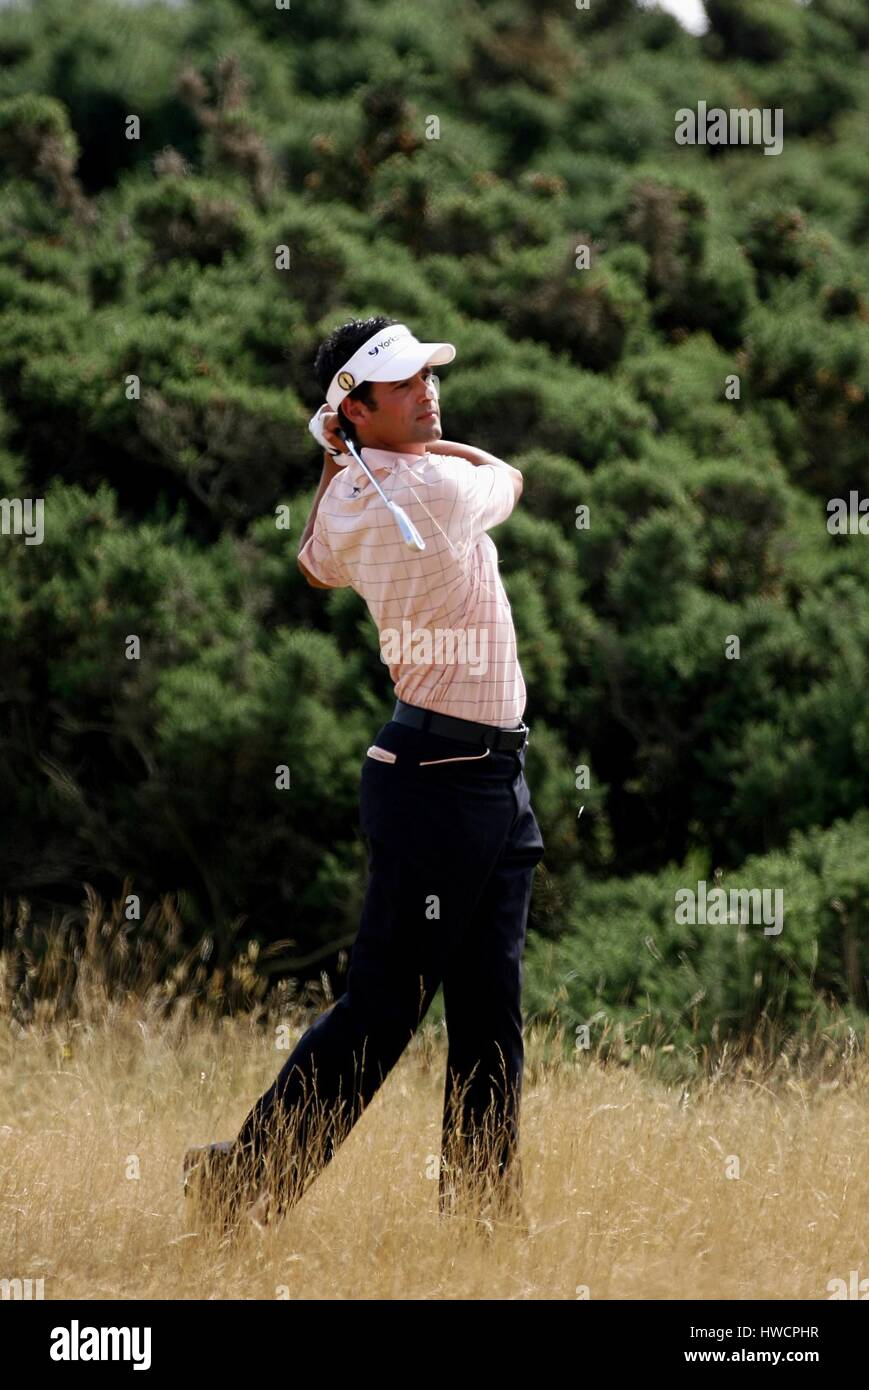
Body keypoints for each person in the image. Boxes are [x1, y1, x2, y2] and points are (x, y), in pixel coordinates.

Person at [183, 317, 545, 1235]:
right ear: (359, 404)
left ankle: (479, 1223)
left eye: (429, 376)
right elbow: (509, 476)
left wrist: (338, 451)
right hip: (439, 781)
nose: (428, 391)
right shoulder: (432, 487)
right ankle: (244, 1181)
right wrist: (388, 448)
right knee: (386, 1007)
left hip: (485, 778)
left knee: (488, 1014)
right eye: (405, 385)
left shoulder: (349, 500)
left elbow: (313, 566)